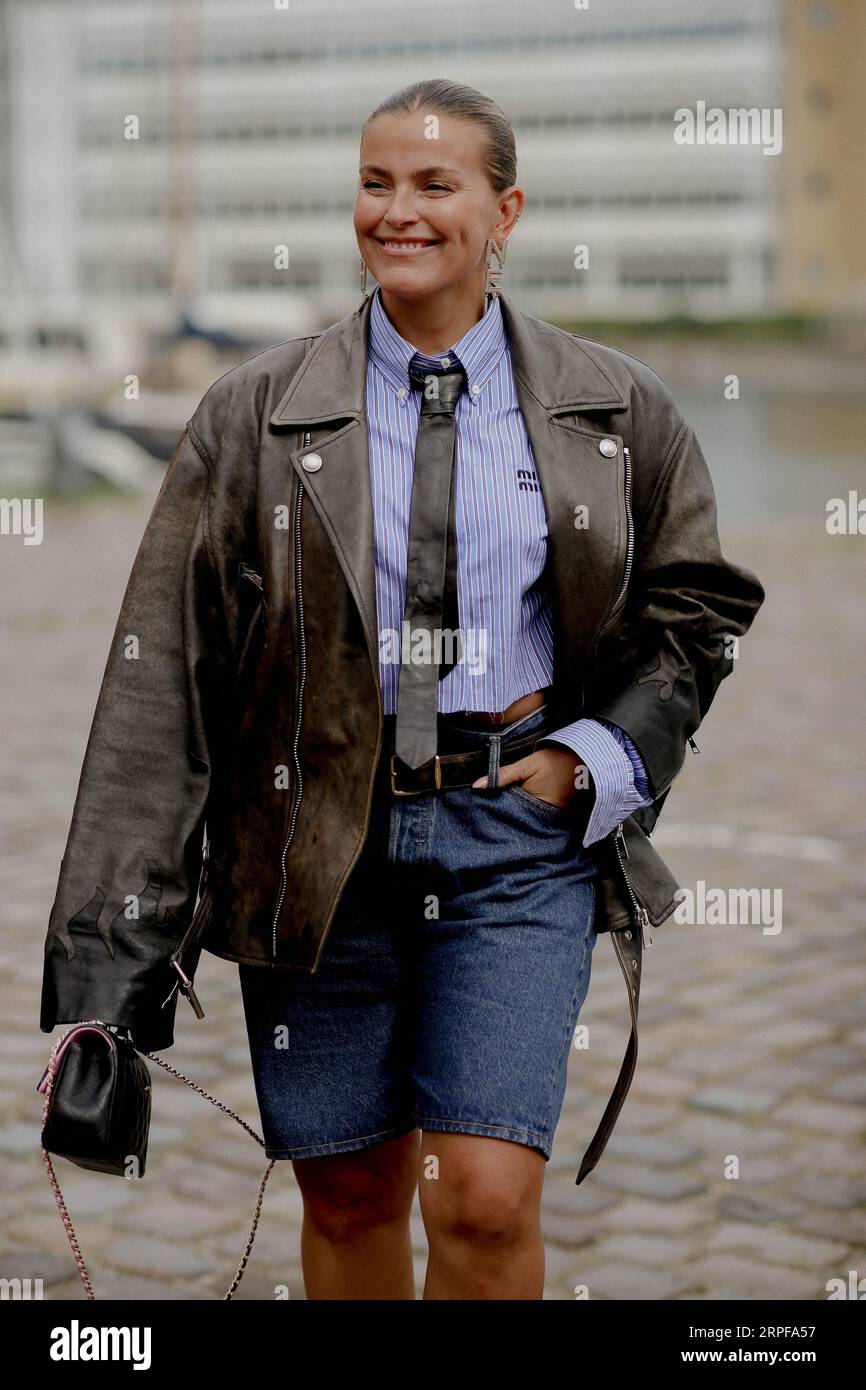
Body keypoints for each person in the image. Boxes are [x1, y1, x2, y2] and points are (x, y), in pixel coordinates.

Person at [40, 78, 765, 1300]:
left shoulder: (615, 407)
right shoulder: (252, 415)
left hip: (515, 834)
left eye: (435, 185)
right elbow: (163, 676)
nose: (398, 210)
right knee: (353, 1190)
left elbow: (696, 607)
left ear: (504, 209)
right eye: (376, 183)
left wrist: (599, 760)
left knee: (483, 1201)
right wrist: (108, 957)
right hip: (313, 840)